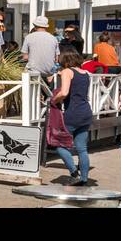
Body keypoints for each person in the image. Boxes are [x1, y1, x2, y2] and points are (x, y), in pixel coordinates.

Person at [50, 47, 94, 185]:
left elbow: (64, 92)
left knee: (59, 145)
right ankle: (84, 179)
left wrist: (53, 100)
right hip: (86, 112)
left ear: (65, 59)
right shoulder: (85, 72)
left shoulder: (67, 72)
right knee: (82, 148)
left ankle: (74, 172)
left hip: (72, 113)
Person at [20, 15, 60, 80]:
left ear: (35, 25)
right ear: (46, 26)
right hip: (49, 73)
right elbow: (56, 59)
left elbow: (25, 57)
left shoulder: (29, 37)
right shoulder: (53, 38)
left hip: (33, 72)